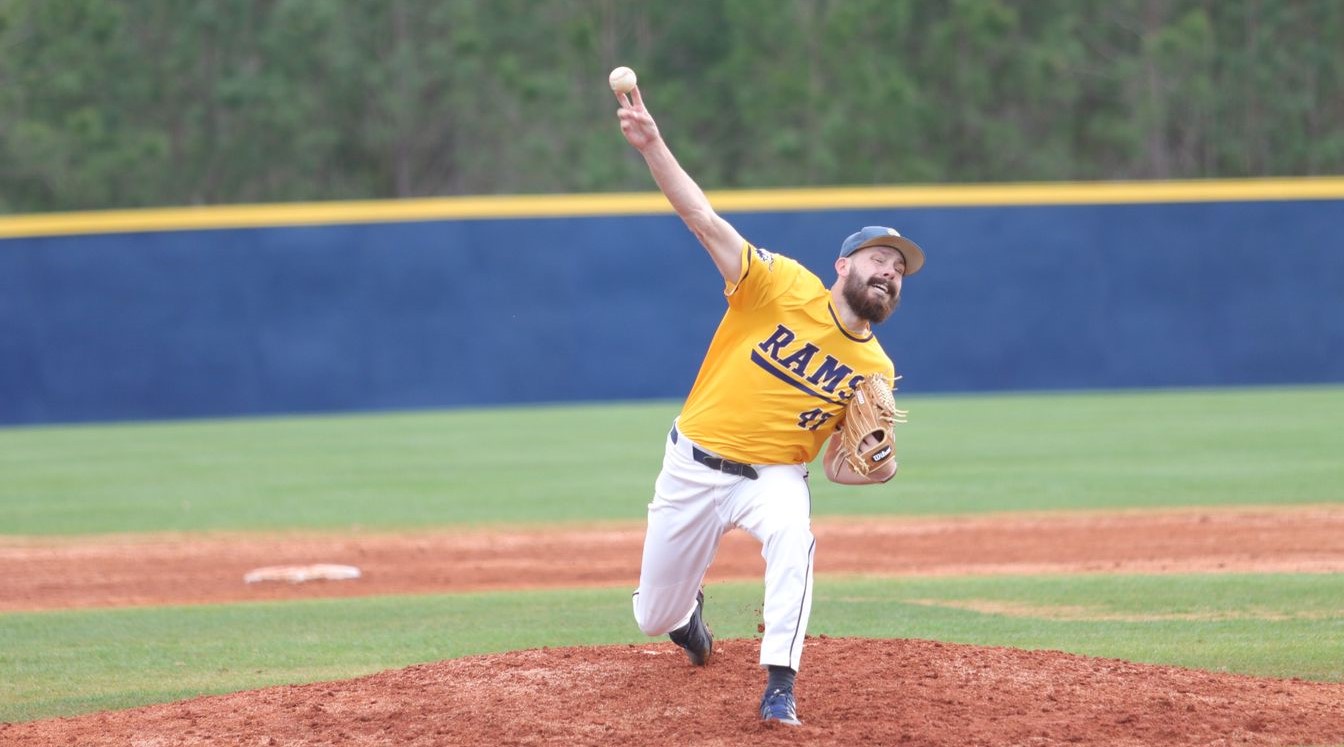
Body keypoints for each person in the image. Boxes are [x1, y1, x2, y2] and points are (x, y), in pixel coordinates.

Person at [615, 82, 925, 727]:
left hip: (774, 477)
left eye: (898, 270)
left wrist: (880, 460)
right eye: (878, 259)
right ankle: (686, 617)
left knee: (795, 537)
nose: (889, 272)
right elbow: (702, 219)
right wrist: (653, 146)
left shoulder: (876, 371)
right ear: (843, 266)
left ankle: (780, 684)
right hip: (693, 465)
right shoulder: (778, 285)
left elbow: (844, 466)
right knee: (653, 617)